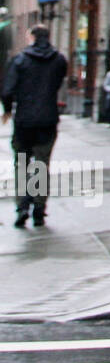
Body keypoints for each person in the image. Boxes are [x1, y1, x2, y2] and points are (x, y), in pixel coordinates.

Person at [2, 26, 68, 228]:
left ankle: (22, 207)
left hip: (24, 121)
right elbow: (57, 83)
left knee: (21, 164)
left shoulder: (20, 60)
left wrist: (7, 110)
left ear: (31, 37)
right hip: (48, 119)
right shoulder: (59, 60)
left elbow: (7, 90)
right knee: (41, 164)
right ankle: (39, 209)